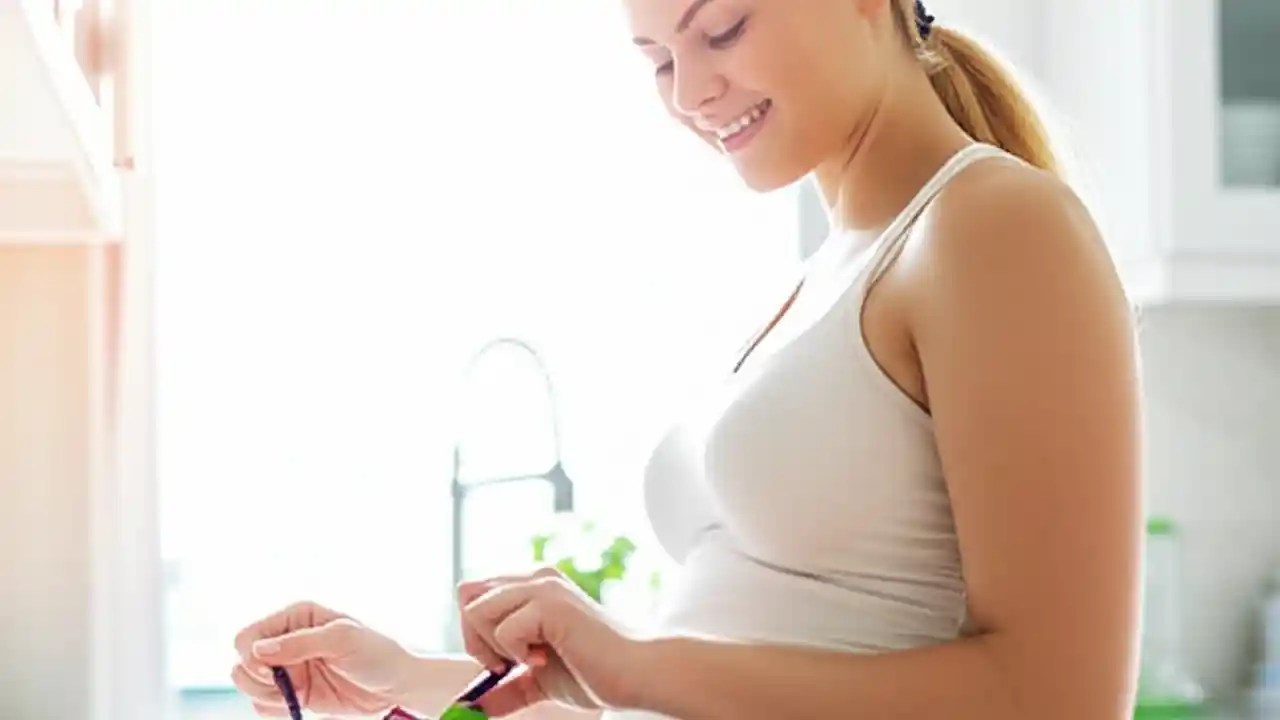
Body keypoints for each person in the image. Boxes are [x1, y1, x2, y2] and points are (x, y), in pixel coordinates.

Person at [231, 0, 1143, 718]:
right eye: (660, 61)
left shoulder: (992, 226)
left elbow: (1056, 701)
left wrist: (638, 663)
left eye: (723, 30)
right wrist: (408, 680)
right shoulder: (822, 280)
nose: (690, 93)